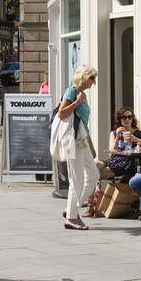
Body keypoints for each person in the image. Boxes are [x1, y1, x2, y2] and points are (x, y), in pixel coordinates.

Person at [57, 65, 100, 230]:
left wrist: (91, 145)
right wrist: (76, 102)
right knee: (76, 180)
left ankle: (71, 209)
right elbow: (61, 113)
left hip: (82, 141)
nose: (93, 82)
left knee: (93, 174)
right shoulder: (72, 91)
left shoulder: (84, 95)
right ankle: (71, 218)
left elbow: (83, 123)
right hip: (73, 141)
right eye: (92, 78)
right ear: (84, 77)